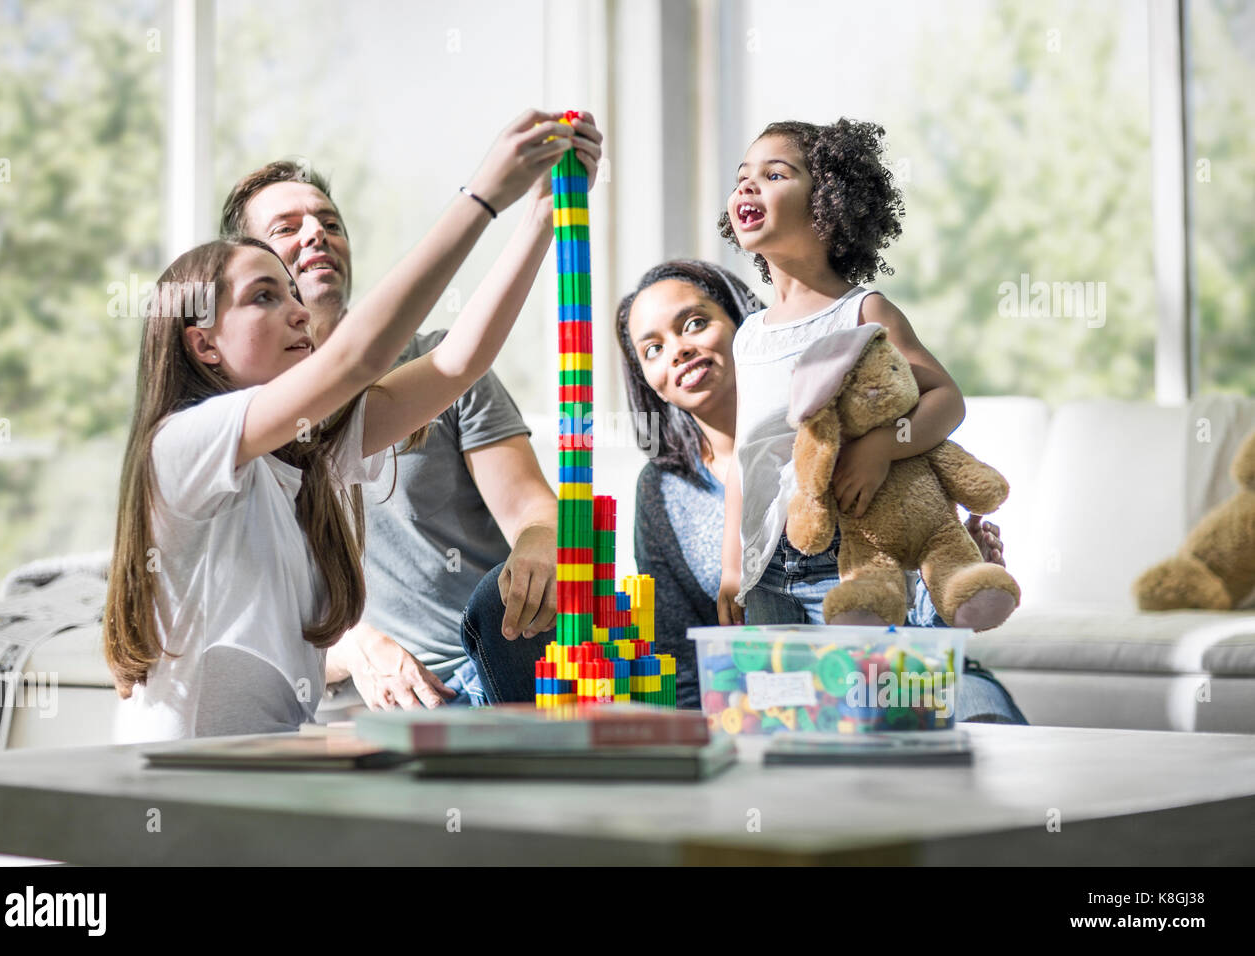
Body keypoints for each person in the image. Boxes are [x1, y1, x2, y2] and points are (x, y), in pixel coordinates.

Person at [104, 109, 585, 740]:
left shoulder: (306, 456)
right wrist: (482, 195)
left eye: (292, 296)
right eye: (264, 297)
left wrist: (542, 214)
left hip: (262, 762)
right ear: (204, 345)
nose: (297, 313)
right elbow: (359, 356)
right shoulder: (183, 443)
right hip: (179, 778)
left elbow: (456, 362)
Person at [219, 113, 603, 710]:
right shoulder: (244, 430)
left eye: (329, 222)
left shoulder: (383, 394)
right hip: (357, 710)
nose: (317, 235)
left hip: (492, 680)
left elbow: (457, 364)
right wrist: (352, 648)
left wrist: (542, 214)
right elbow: (249, 622)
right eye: (286, 228)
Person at [616, 259, 1024, 722]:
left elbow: (916, 615)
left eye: (694, 323)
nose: (679, 349)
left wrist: (961, 571)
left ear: (745, 326)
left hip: (908, 680)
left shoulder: (851, 448)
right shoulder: (663, 491)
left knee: (981, 733)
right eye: (652, 349)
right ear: (650, 384)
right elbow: (677, 651)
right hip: (785, 705)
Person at [713, 118, 1018, 632]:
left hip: (851, 554)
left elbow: (946, 397)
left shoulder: (862, 312)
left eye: (775, 174)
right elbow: (747, 459)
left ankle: (954, 582)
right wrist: (731, 569)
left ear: (828, 205)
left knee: (875, 694)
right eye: (743, 175)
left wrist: (882, 446)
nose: (747, 185)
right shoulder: (749, 336)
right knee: (788, 704)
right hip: (768, 566)